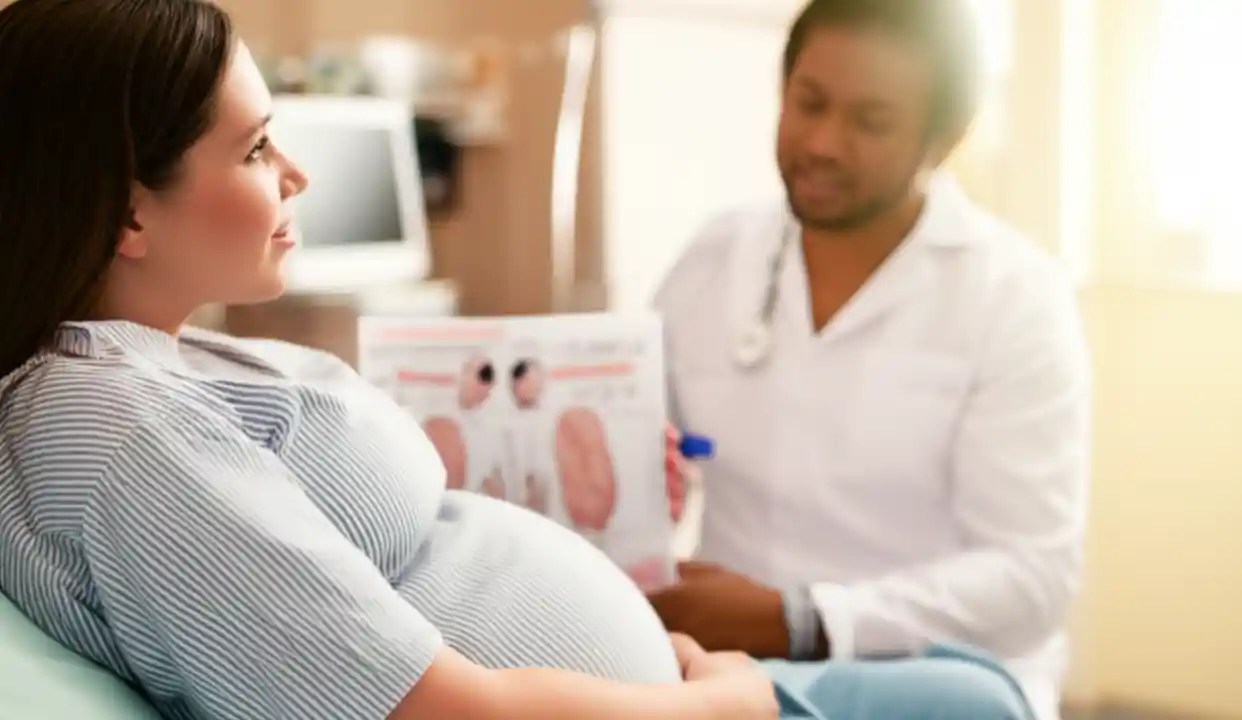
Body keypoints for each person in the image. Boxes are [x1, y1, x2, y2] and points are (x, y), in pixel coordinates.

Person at [0, 1, 779, 718]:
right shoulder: (118, 434)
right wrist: (719, 707)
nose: (296, 175)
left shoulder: (149, 372)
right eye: (256, 148)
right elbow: (429, 713)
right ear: (131, 212)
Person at [651, 1, 1091, 719]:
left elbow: (1030, 581)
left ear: (942, 140)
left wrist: (800, 619)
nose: (823, 142)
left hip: (925, 679)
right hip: (722, 668)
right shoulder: (713, 259)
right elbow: (625, 448)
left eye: (870, 121)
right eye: (809, 103)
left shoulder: (1014, 297)